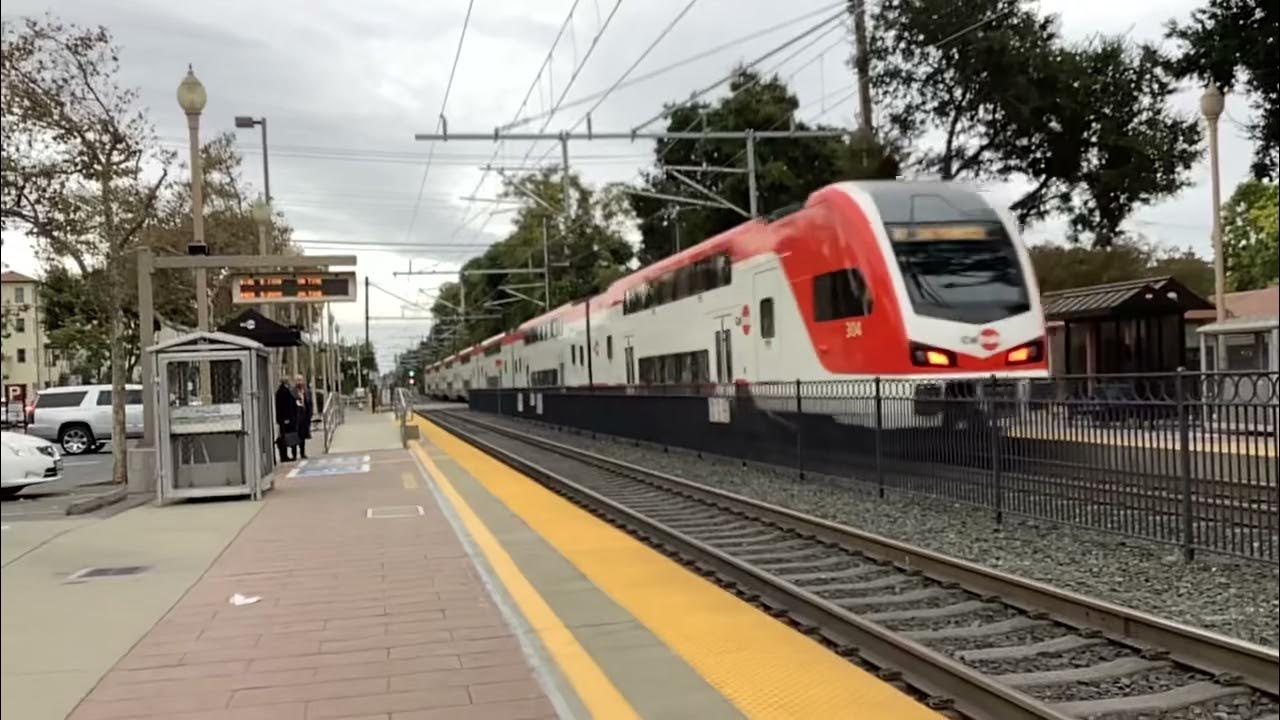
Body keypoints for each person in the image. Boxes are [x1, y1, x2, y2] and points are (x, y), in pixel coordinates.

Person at [274, 378, 298, 462]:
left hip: (284, 419)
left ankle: (285, 455)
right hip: (286, 419)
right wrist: (286, 418)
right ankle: (284, 456)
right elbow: (285, 407)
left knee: (285, 437)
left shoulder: (281, 392)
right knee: (286, 438)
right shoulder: (283, 392)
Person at [295, 374, 314, 459]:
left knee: (303, 436)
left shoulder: (307, 391)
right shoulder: (293, 392)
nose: (299, 382)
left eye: (301, 380)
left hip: (305, 416)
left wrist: (310, 413)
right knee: (296, 435)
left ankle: (302, 452)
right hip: (296, 417)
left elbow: (310, 403)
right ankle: (294, 453)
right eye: (298, 380)